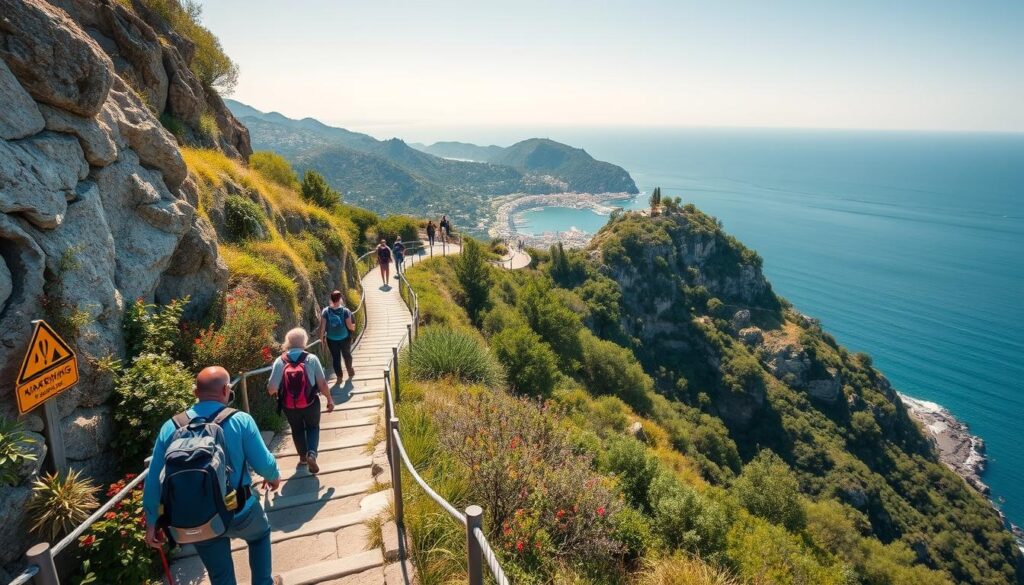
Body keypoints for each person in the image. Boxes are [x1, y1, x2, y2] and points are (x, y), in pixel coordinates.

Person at [143, 366, 283, 585]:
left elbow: (154, 481)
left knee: (220, 576)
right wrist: (274, 477)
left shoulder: (170, 428)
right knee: (259, 536)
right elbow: (264, 464)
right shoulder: (240, 420)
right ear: (226, 390)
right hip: (241, 511)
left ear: (195, 392)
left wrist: (152, 521)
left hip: (200, 517)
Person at [267, 328, 334, 474]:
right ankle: (312, 454)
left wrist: (280, 392)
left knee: (296, 429)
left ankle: (303, 458)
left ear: (287, 343)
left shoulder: (280, 361)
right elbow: (322, 384)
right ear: (304, 342)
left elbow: (271, 388)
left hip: (289, 405)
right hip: (310, 402)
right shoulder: (311, 358)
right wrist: (329, 399)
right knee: (313, 427)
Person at [319, 290, 355, 383]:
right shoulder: (345, 311)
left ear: (331, 299)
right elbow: (349, 326)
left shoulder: (326, 311)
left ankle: (339, 377)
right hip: (344, 338)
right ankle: (350, 370)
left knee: (335, 358)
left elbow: (322, 327)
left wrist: (321, 340)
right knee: (347, 355)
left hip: (331, 339)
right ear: (340, 299)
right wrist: (353, 328)